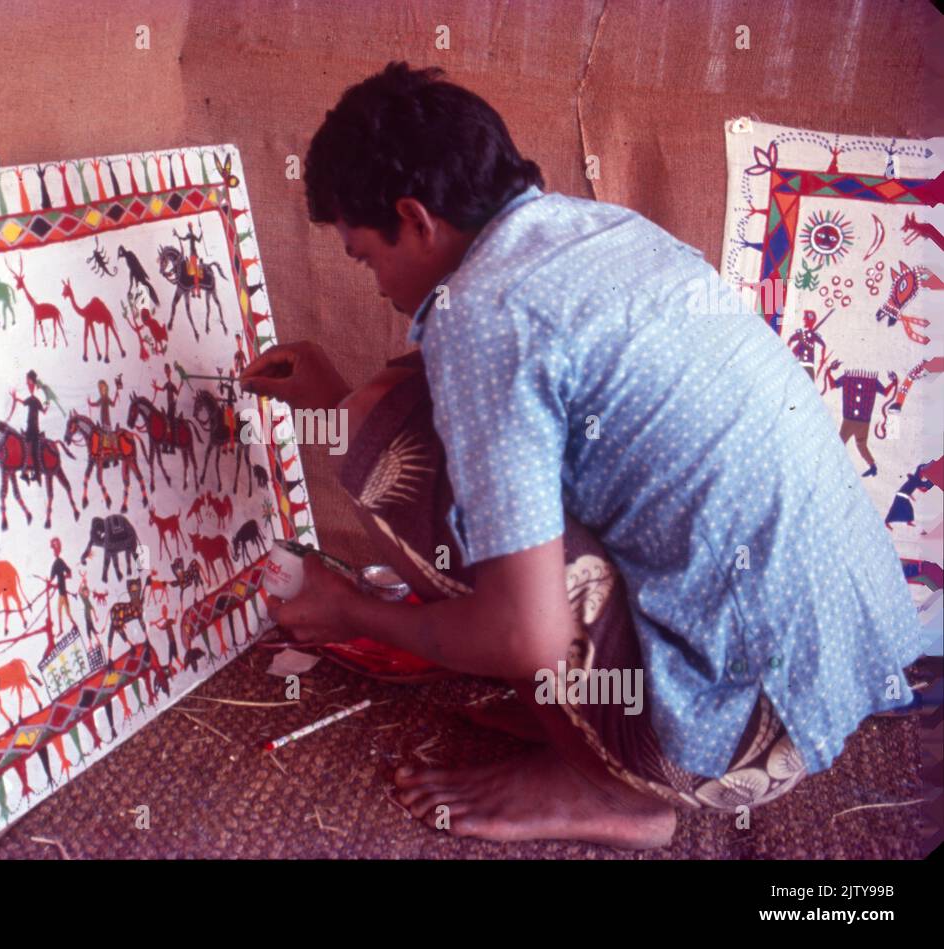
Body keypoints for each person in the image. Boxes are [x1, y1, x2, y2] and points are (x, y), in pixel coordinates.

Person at [240, 62, 920, 849]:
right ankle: (603, 711)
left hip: (738, 737)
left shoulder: (483, 311)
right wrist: (331, 396)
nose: (377, 286)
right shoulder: (598, 230)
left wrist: (351, 608)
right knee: (407, 403)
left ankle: (618, 789)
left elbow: (524, 636)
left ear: (414, 217)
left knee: (384, 432)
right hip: (839, 664)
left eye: (365, 257)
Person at [8, 370, 47, 483]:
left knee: (30, 449)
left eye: (27, 379)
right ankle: (27, 472)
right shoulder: (29, 393)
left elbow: (25, 402)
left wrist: (15, 398)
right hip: (25, 424)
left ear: (31, 379)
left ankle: (30, 471)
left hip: (32, 426)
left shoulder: (35, 395)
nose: (26, 381)